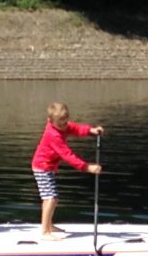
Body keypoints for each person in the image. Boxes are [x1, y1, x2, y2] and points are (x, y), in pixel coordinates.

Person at [30, 102, 105, 240]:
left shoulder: (61, 126)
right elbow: (67, 155)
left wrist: (90, 131)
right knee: (50, 198)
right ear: (50, 121)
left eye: (65, 122)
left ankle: (48, 225)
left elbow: (75, 128)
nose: (64, 126)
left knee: (52, 198)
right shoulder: (53, 135)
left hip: (48, 167)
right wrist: (87, 167)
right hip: (42, 167)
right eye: (61, 124)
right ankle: (45, 232)